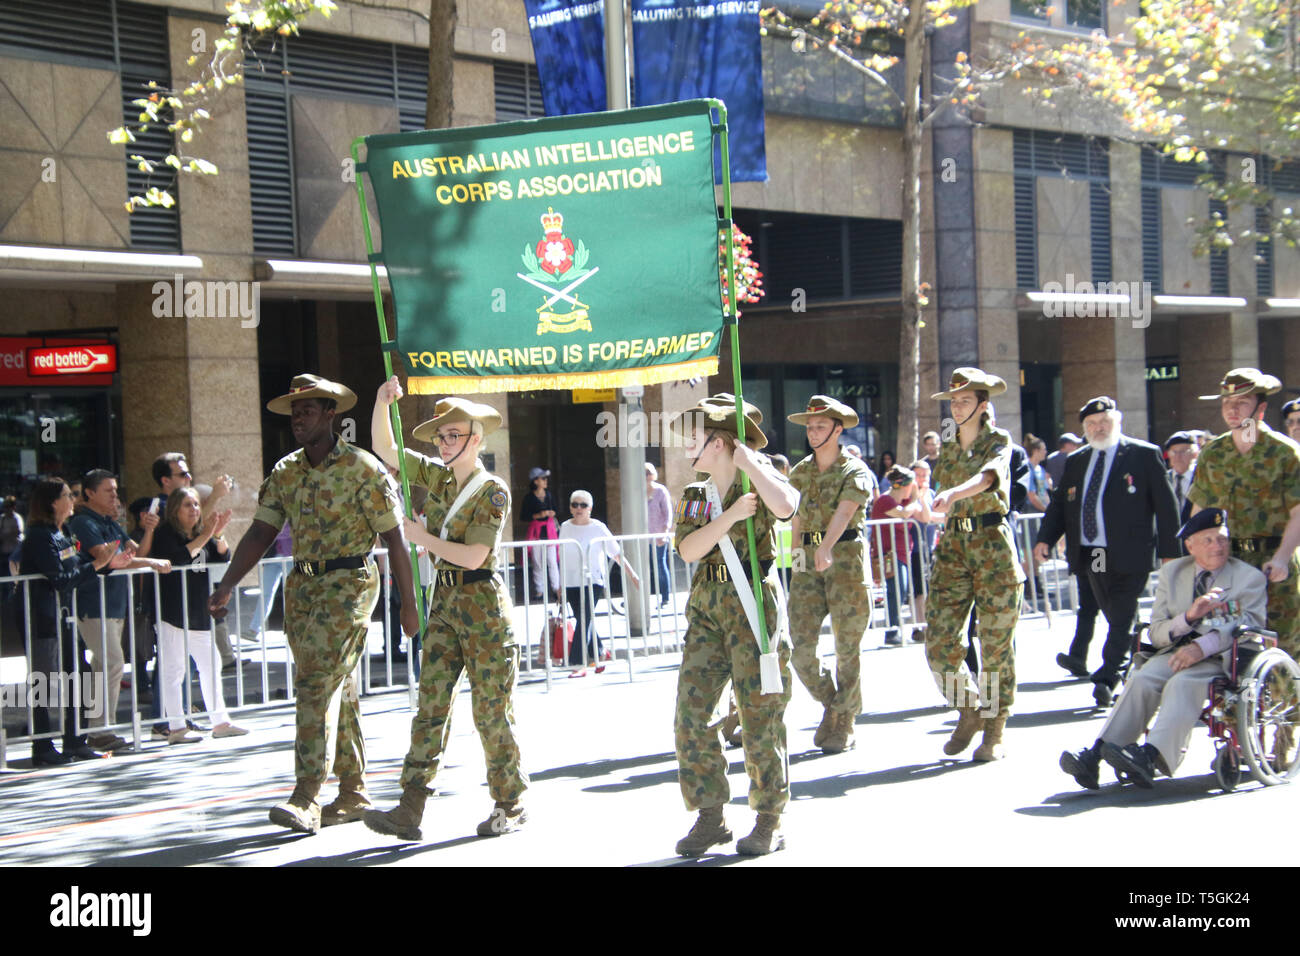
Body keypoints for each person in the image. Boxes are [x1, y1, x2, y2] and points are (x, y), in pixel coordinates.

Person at [210, 374, 418, 835]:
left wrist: (409, 604)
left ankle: (306, 795)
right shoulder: (285, 472)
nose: (298, 419)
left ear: (331, 414)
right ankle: (352, 791)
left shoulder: (364, 468)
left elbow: (395, 540)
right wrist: (227, 583)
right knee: (333, 687)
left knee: (313, 685)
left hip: (350, 585)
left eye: (307, 410)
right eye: (294, 412)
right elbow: (261, 532)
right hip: (303, 590)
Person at [366, 377, 527, 840]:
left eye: (452, 435)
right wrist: (382, 403)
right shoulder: (437, 476)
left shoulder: (491, 491)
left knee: (492, 711)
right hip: (445, 604)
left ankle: (510, 802)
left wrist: (423, 539)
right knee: (431, 705)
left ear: (476, 438)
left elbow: (476, 556)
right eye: (439, 436)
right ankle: (410, 805)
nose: (443, 443)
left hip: (482, 606)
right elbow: (387, 450)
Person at [668, 394, 799, 857]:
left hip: (752, 604)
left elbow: (786, 507)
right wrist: (730, 516)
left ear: (719, 442)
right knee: (691, 714)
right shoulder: (696, 494)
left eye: (696, 437)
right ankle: (711, 816)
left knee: (759, 712)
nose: (688, 446)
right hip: (708, 604)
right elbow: (688, 550)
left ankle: (768, 818)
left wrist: (752, 462)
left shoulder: (757, 481)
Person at [1059, 508, 1267, 789]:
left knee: (1181, 684)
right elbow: (1157, 630)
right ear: (1190, 545)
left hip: (1221, 658)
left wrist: (1201, 646)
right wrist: (1189, 618)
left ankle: (1150, 756)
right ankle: (1096, 756)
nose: (1217, 546)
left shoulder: (1248, 578)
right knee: (1142, 679)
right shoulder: (1173, 572)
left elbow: (1248, 626)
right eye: (1208, 540)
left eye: (1222, 539)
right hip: (1173, 651)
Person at [1033, 396, 1181, 706]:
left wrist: (1171, 554)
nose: (1099, 428)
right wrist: (1045, 538)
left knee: (1123, 610)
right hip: (1094, 553)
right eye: (1091, 425)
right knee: (1113, 611)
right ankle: (1135, 656)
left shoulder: (1143, 455)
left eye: (1104, 423)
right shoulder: (1078, 461)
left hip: (1131, 552)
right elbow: (1060, 504)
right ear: (1084, 429)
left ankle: (1107, 676)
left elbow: (1167, 508)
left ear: (1118, 421)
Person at [926, 368, 1023, 761]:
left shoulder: (999, 440)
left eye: (965, 401)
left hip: (991, 544)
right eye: (954, 400)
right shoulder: (948, 445)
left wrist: (952, 492)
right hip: (954, 545)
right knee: (939, 641)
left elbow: (988, 478)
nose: (957, 406)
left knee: (995, 641)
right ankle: (968, 708)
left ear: (984, 406)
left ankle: (995, 727)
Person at [1188, 368, 1300, 664]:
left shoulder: (1285, 453)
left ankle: (1290, 711)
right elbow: (1200, 509)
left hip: (1274, 565)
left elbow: (1298, 513)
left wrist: (1282, 557)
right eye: (1227, 402)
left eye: (1242, 402)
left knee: (1282, 649)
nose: (1232, 409)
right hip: (1228, 564)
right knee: (1229, 649)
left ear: (1261, 408)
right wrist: (1194, 557)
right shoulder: (1213, 452)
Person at [21, 477, 133, 765]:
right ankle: (43, 747)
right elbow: (59, 578)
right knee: (44, 682)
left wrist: (107, 565)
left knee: (79, 675)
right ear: (52, 502)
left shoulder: (64, 532)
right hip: (43, 618)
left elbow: (79, 565)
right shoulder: (39, 535)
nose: (73, 500)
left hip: (65, 617)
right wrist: (97, 565)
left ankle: (74, 740)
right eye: (67, 495)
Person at [786, 395, 875, 754]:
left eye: (821, 426)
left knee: (846, 647)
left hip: (846, 559)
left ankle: (844, 722)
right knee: (800, 648)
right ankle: (835, 705)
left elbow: (844, 511)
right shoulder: (800, 471)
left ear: (838, 430)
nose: (813, 432)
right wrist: (795, 555)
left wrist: (827, 546)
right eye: (809, 426)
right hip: (808, 559)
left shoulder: (854, 470)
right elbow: (796, 516)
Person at [67, 470, 170, 751]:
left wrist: (148, 530)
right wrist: (151, 562)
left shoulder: (109, 522)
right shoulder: (83, 522)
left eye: (115, 490)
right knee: (113, 662)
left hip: (113, 604)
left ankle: (101, 728)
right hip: (92, 604)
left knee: (105, 666)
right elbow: (111, 559)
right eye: (108, 491)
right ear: (90, 493)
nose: (115, 495)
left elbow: (133, 553)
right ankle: (100, 729)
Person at [149, 487, 246, 743]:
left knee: (210, 665)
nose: (194, 509)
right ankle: (177, 728)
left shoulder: (201, 534)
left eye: (196, 504)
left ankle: (220, 721)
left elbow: (222, 556)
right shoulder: (166, 534)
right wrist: (206, 534)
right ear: (175, 510)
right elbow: (179, 558)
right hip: (172, 612)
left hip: (198, 611)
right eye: (187, 505)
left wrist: (219, 533)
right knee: (175, 670)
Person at [559, 489, 640, 676]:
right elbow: (561, 556)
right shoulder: (565, 526)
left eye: (583, 505)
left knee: (584, 617)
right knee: (583, 619)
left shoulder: (599, 527)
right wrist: (560, 585)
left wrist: (633, 575)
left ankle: (579, 664)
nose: (579, 508)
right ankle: (600, 652)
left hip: (592, 580)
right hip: (571, 581)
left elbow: (617, 554)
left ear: (590, 508)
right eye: (575, 504)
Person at [872, 465, 926, 646]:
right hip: (889, 554)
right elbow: (903, 514)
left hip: (904, 553)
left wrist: (919, 500)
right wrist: (916, 498)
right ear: (904, 485)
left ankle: (894, 628)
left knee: (901, 590)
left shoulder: (904, 502)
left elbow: (924, 517)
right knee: (897, 590)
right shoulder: (885, 501)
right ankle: (892, 630)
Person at [241, 522, 292, 642]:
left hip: (291, 556)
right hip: (272, 557)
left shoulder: (292, 511)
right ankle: (254, 629)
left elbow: (291, 532)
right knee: (266, 593)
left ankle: (293, 629)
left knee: (291, 594)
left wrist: (272, 533)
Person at [907, 458, 939, 636]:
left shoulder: (932, 493)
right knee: (919, 590)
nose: (922, 478)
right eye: (918, 475)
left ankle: (928, 623)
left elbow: (938, 516)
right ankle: (920, 625)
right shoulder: (910, 494)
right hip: (914, 548)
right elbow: (926, 517)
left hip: (930, 546)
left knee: (930, 589)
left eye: (925, 475)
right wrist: (920, 497)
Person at [520, 466, 560, 602]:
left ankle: (556, 589)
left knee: (552, 562)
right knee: (537, 563)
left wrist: (551, 513)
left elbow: (556, 509)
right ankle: (539, 590)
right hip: (536, 532)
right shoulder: (529, 498)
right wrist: (537, 515)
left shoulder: (549, 495)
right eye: (543, 478)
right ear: (535, 481)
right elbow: (524, 516)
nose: (545, 481)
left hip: (549, 531)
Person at [1164, 431, 1199, 554]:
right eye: (1174, 452)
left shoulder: (1201, 479)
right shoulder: (1162, 479)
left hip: (1196, 545)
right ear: (1168, 454)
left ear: (1195, 454)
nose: (1178, 457)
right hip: (1169, 546)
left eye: (1184, 452)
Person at [645, 463, 674, 606]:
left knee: (660, 565)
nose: (646, 476)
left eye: (648, 472)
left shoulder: (661, 491)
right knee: (642, 566)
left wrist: (664, 532)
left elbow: (668, 514)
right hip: (643, 537)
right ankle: (639, 597)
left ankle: (665, 597)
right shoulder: (638, 492)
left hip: (658, 535)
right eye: (643, 473)